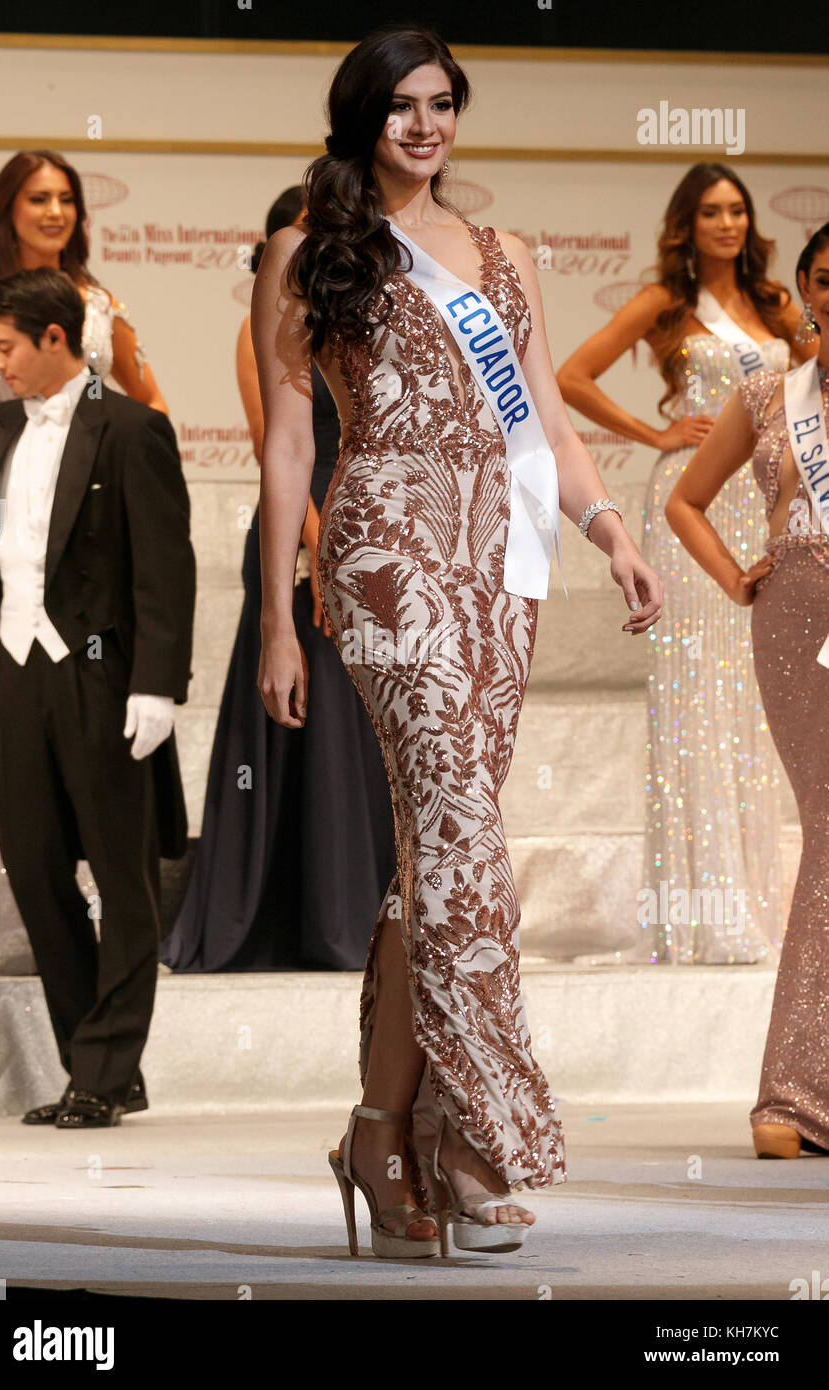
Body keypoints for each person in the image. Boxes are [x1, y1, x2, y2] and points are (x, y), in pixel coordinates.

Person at [252, 25, 662, 1257]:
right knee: (461, 836)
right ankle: (478, 1141)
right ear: (360, 116)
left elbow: (545, 418)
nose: (424, 126)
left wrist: (607, 531)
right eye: (400, 107)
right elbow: (284, 447)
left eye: (441, 105)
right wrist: (277, 615)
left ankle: (381, 1131)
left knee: (438, 852)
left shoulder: (504, 253)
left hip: (502, 563)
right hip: (387, 557)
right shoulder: (304, 249)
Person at [558, 164, 815, 965]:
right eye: (711, 212)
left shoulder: (777, 306)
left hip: (763, 501)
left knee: (747, 703)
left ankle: (754, 901)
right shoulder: (664, 303)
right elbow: (569, 376)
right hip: (691, 503)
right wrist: (654, 433)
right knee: (696, 697)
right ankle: (702, 910)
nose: (728, 224)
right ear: (687, 223)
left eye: (738, 210)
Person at [0, 268, 195, 1127]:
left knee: (124, 877)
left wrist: (158, 685)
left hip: (102, 673)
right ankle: (92, 1061)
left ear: (56, 339)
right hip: (17, 673)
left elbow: (166, 565)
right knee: (32, 865)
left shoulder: (131, 431)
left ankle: (103, 1070)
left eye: (8, 348)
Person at [162, 187, 396, 973]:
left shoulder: (367, 324)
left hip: (369, 524)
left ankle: (362, 911)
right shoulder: (257, 327)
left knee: (360, 734)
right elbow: (277, 448)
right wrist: (324, 549)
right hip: (300, 532)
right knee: (306, 713)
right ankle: (301, 916)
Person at [0, 149, 168, 976]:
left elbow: (149, 401)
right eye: (36, 197)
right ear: (6, 207)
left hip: (87, 553)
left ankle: (110, 1014)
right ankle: (1, 935)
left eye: (66, 199)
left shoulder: (98, 302)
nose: (53, 212)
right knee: (3, 772)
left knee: (105, 791)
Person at [666, 224, 829, 1159]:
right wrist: (736, 577)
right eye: (825, 279)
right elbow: (686, 498)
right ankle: (792, 1097)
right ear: (805, 288)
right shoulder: (771, 391)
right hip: (800, 616)